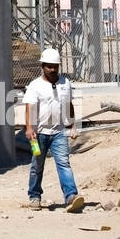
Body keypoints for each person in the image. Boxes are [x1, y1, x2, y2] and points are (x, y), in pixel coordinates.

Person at [23, 48, 84, 213]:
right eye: (49, 66)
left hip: (59, 132)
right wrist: (29, 128)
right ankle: (34, 196)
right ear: (42, 66)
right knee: (37, 165)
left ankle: (71, 196)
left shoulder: (65, 83)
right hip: (38, 134)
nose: (52, 69)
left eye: (55, 66)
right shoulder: (35, 86)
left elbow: (69, 105)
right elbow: (30, 107)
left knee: (64, 163)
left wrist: (72, 125)